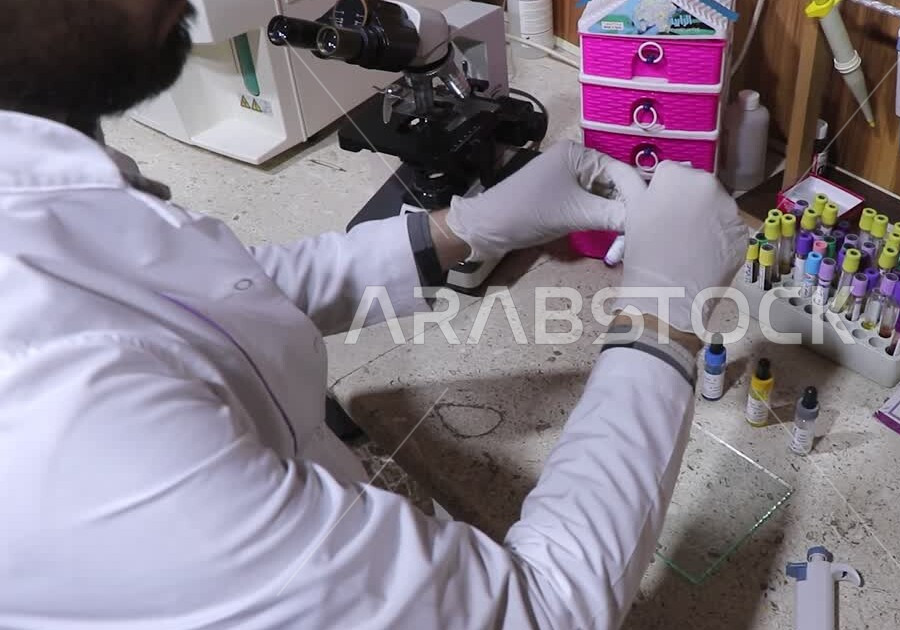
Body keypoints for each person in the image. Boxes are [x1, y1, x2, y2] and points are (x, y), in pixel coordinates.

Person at [0, 1, 747, 628]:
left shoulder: (38, 185)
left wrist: (457, 231)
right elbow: (542, 609)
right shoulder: (63, 420)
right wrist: (662, 320)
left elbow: (195, 297)